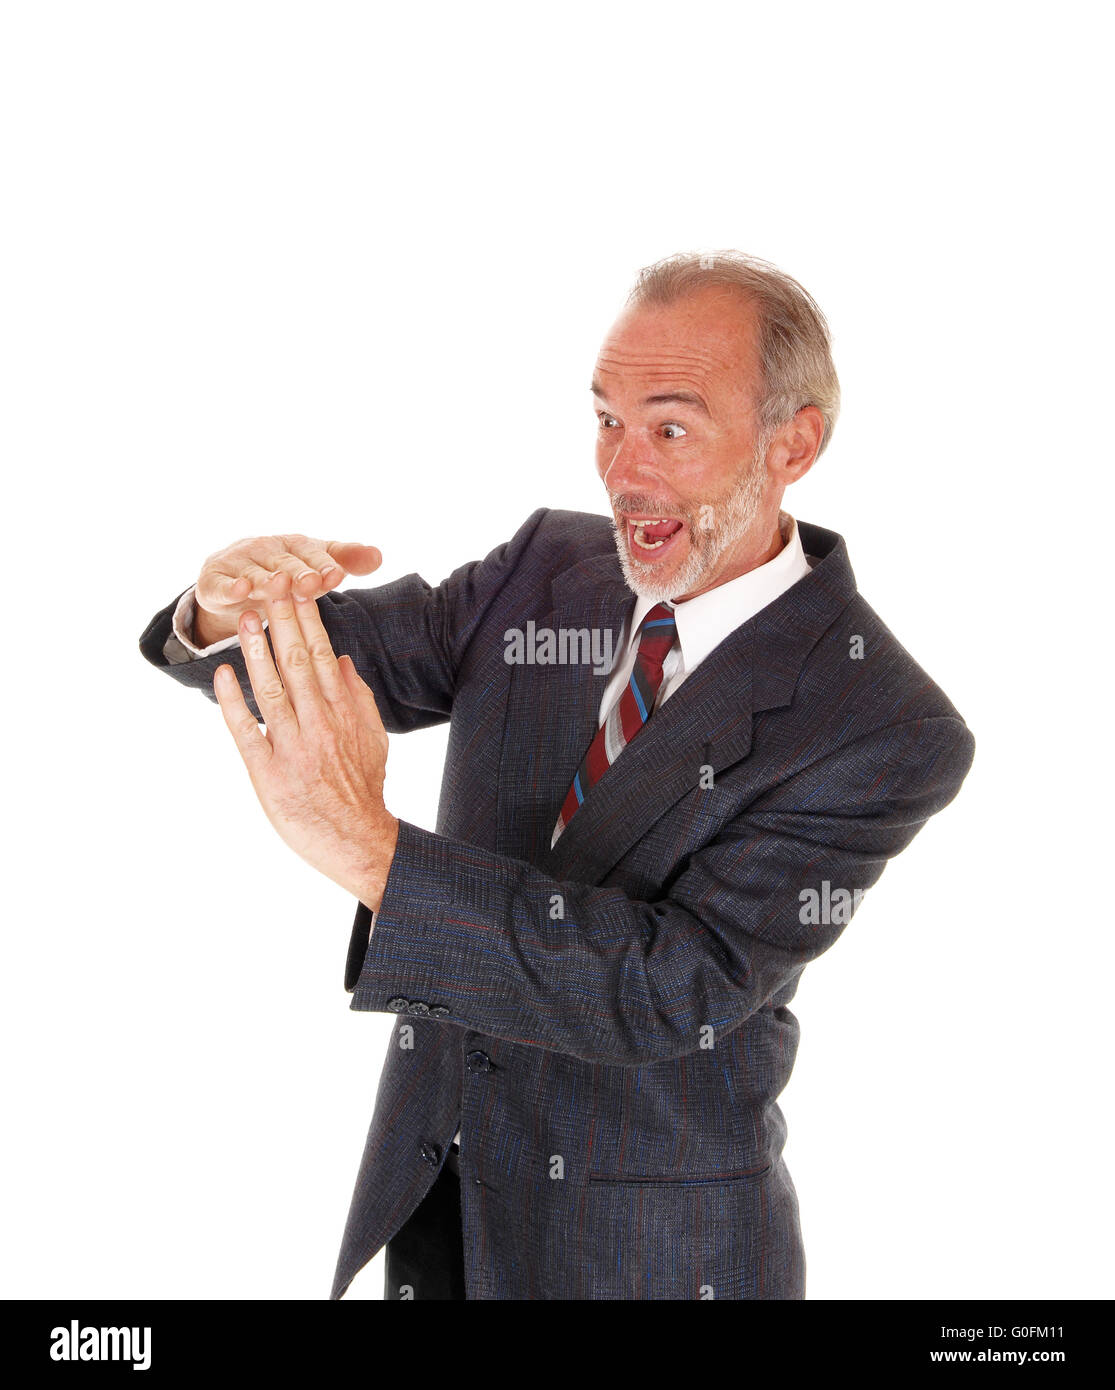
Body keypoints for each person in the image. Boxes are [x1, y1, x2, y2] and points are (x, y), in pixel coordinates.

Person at [139, 251, 975, 1300]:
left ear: (790, 442)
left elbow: (673, 989)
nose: (622, 470)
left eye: (668, 426)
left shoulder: (882, 722)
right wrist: (226, 611)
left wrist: (372, 853)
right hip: (438, 1202)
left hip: (650, 1258)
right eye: (605, 420)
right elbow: (325, 661)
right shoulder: (546, 565)